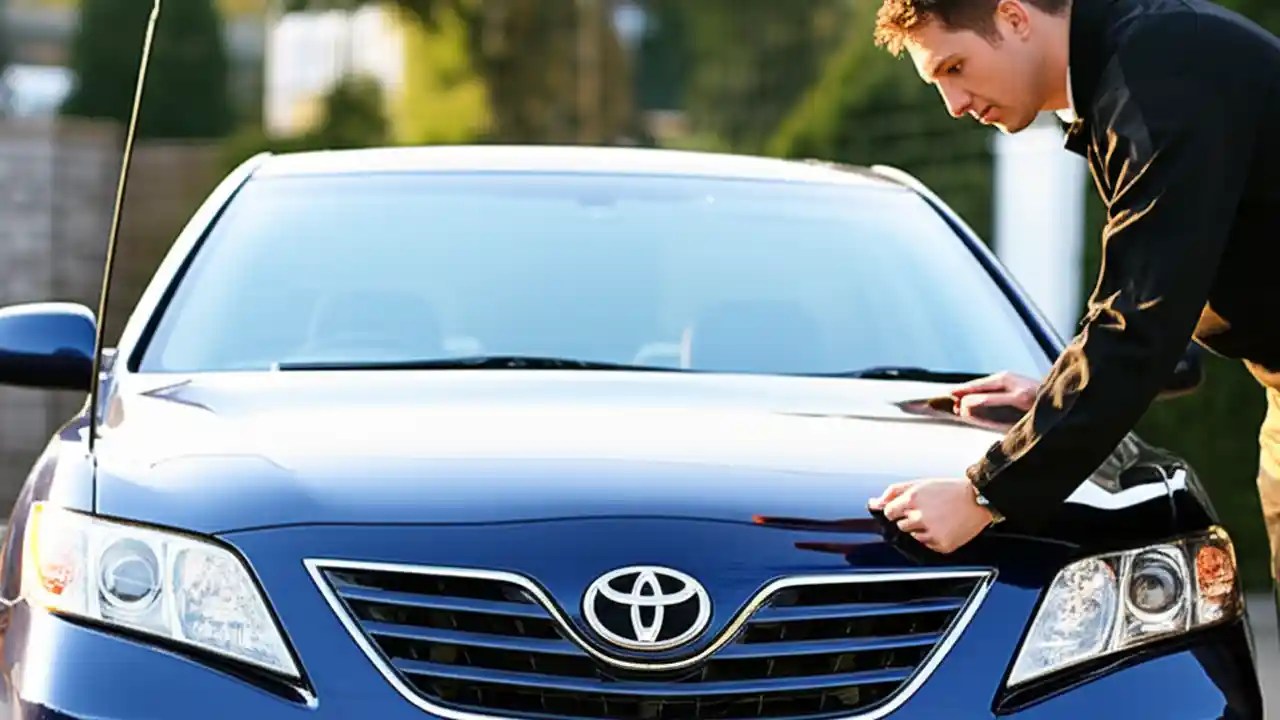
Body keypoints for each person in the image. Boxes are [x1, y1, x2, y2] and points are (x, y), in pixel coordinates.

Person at [864, 0, 1280, 579]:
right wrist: (1056, 396)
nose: (953, 105)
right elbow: (1169, 295)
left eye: (954, 67)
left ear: (1013, 17)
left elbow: (1139, 322)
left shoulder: (1153, 76)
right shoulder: (1133, 68)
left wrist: (984, 494)